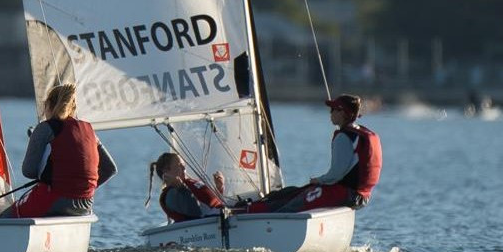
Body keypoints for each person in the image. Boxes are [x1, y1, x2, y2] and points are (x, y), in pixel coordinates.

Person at [246, 93, 380, 213]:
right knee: (290, 193)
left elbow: (335, 175)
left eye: (333, 109)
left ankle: (255, 214)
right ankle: (256, 208)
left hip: (347, 194)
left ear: (343, 113)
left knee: (291, 204)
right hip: (361, 196)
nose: (330, 113)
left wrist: (318, 180)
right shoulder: (361, 132)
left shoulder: (344, 138)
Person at [0, 83, 116, 218]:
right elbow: (110, 169)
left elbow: (28, 171)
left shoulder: (45, 128)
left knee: (2, 218)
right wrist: (80, 188)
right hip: (85, 204)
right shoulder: (90, 130)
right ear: (74, 107)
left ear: (48, 105)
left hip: (53, 200)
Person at [148, 152, 225, 222]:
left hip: (222, 214)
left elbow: (209, 205)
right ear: (166, 172)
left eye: (184, 165)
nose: (184, 168)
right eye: (180, 165)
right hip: (212, 225)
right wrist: (182, 188)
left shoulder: (189, 183)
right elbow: (196, 211)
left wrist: (219, 189)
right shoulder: (171, 195)